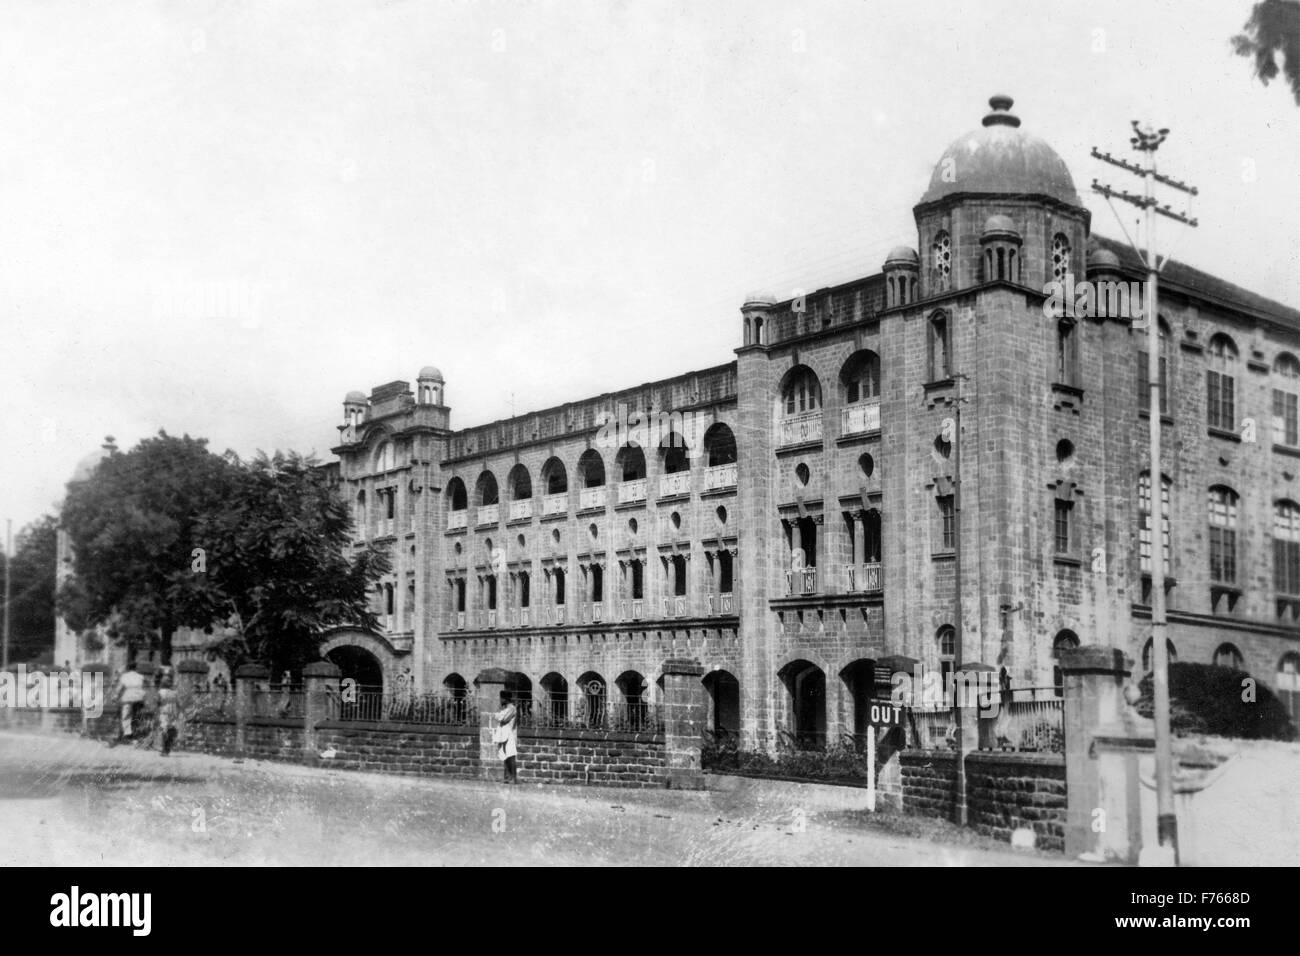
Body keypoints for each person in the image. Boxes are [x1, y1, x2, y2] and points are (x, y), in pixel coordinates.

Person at [108, 661, 146, 747]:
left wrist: (115, 697)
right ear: (136, 668)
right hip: (139, 698)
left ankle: (128, 735)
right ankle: (136, 735)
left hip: (128, 698)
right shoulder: (141, 676)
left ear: (128, 668)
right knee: (136, 716)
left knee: (126, 716)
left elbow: (119, 688)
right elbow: (144, 687)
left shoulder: (124, 676)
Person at [494, 690, 518, 784]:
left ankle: (514, 778)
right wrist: (498, 715)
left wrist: (498, 715)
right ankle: (507, 777)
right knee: (505, 756)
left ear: (505, 699)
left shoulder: (511, 708)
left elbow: (503, 718)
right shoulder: (505, 708)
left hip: (510, 734)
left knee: (511, 756)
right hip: (504, 735)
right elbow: (499, 716)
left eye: (501, 698)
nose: (500, 700)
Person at [156, 673, 180, 756]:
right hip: (173, 713)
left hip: (164, 712)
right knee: (171, 730)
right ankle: (167, 749)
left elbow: (158, 702)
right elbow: (178, 704)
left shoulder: (160, 692)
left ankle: (164, 749)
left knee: (164, 730)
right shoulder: (175, 693)